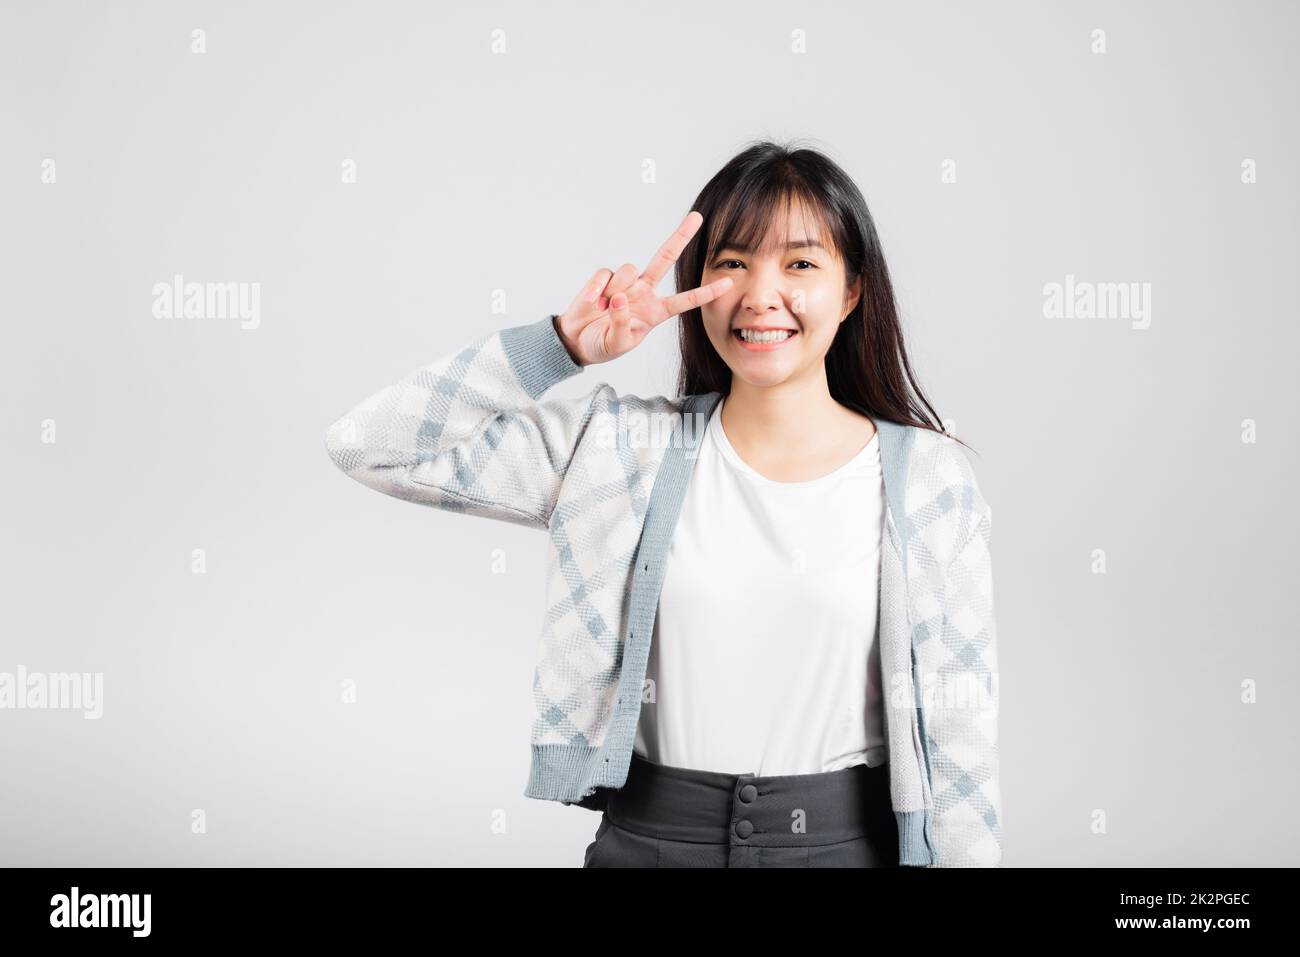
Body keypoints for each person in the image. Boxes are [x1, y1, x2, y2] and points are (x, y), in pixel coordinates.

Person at [324, 140, 1001, 867]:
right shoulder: (617, 450)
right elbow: (368, 445)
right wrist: (561, 347)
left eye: (799, 263)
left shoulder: (928, 480)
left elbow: (961, 729)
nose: (759, 295)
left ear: (853, 289)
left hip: (842, 848)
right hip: (648, 845)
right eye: (732, 262)